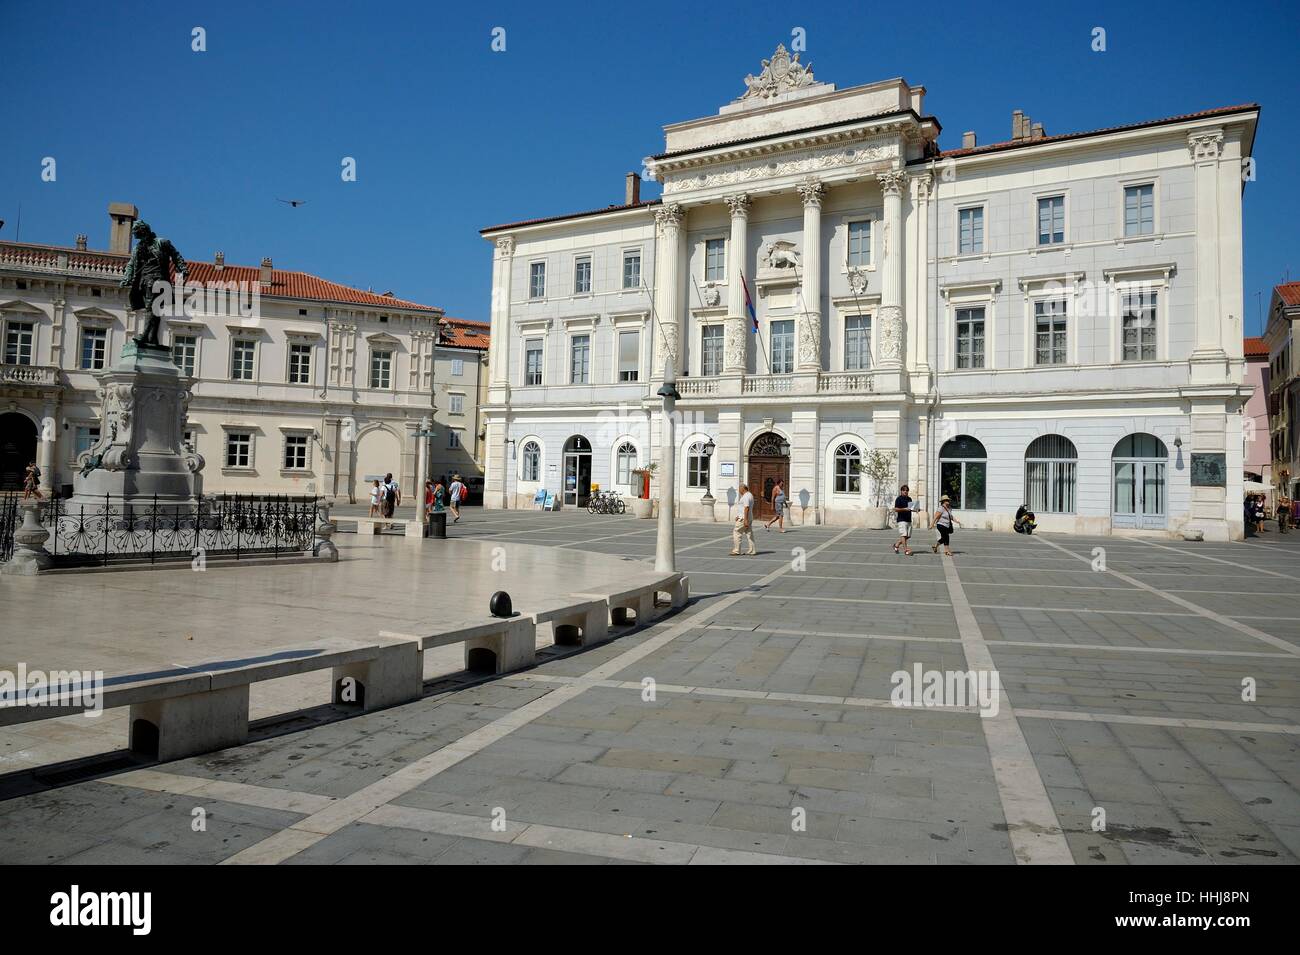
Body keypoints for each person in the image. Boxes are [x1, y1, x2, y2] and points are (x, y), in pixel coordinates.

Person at [731, 482, 756, 556]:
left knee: (737, 532)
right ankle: (752, 550)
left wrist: (745, 519)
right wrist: (738, 515)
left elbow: (746, 508)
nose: (739, 491)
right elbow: (743, 508)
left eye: (739, 489)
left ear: (743, 488)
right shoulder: (749, 495)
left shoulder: (746, 496)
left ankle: (736, 550)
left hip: (744, 518)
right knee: (749, 534)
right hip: (748, 517)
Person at [892, 484, 914, 556]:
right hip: (901, 520)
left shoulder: (909, 499)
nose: (905, 492)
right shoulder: (899, 499)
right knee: (903, 535)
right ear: (901, 491)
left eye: (907, 490)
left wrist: (916, 509)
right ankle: (906, 550)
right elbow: (895, 509)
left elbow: (910, 509)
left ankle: (897, 544)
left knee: (908, 536)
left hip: (908, 519)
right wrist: (904, 509)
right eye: (904, 490)